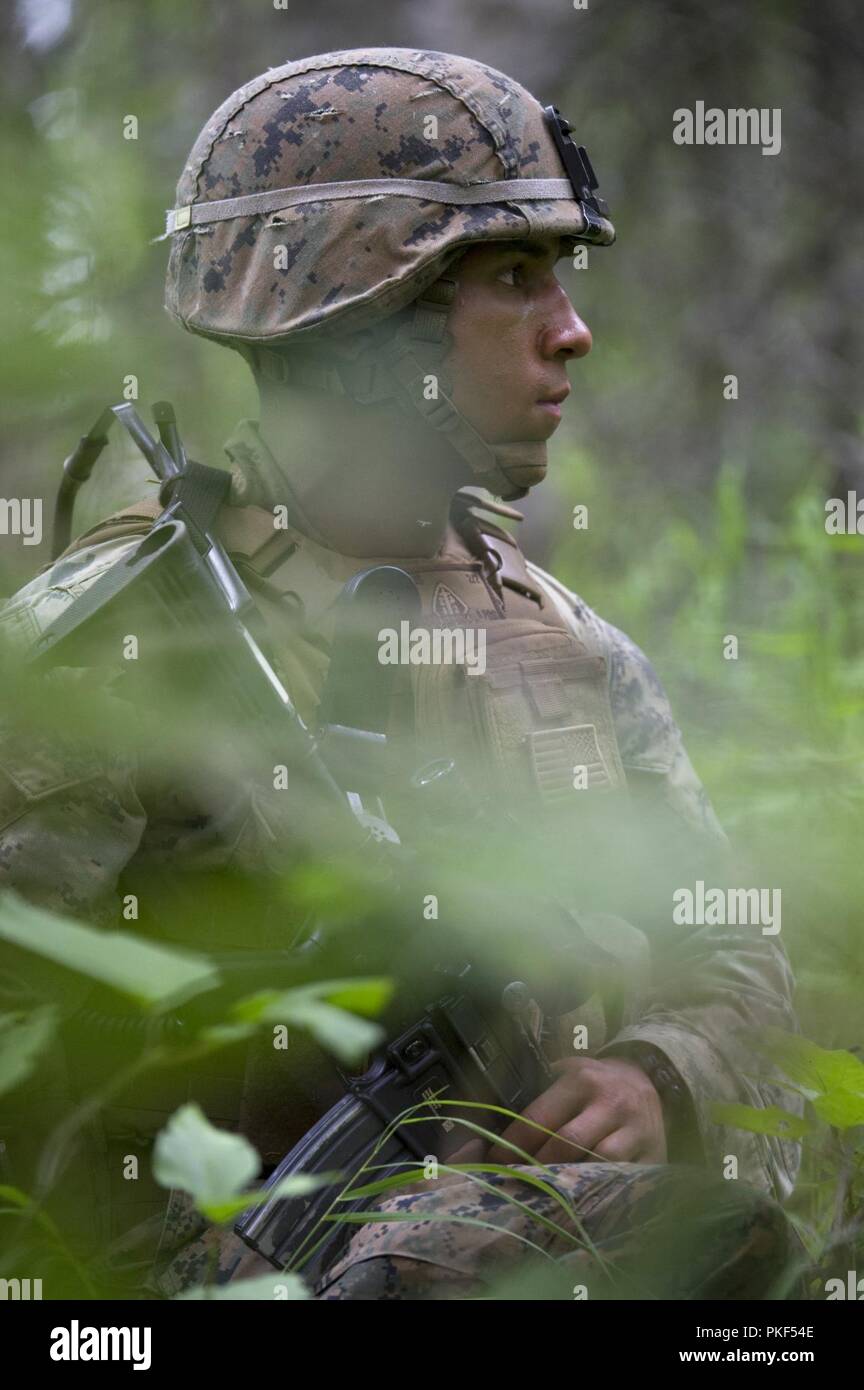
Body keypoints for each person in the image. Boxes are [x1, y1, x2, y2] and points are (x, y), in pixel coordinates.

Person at [0, 49, 803, 1301]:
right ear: (362, 315)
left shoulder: (573, 646)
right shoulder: (124, 645)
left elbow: (733, 945)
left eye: (560, 277)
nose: (573, 331)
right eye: (511, 277)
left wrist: (662, 1070)